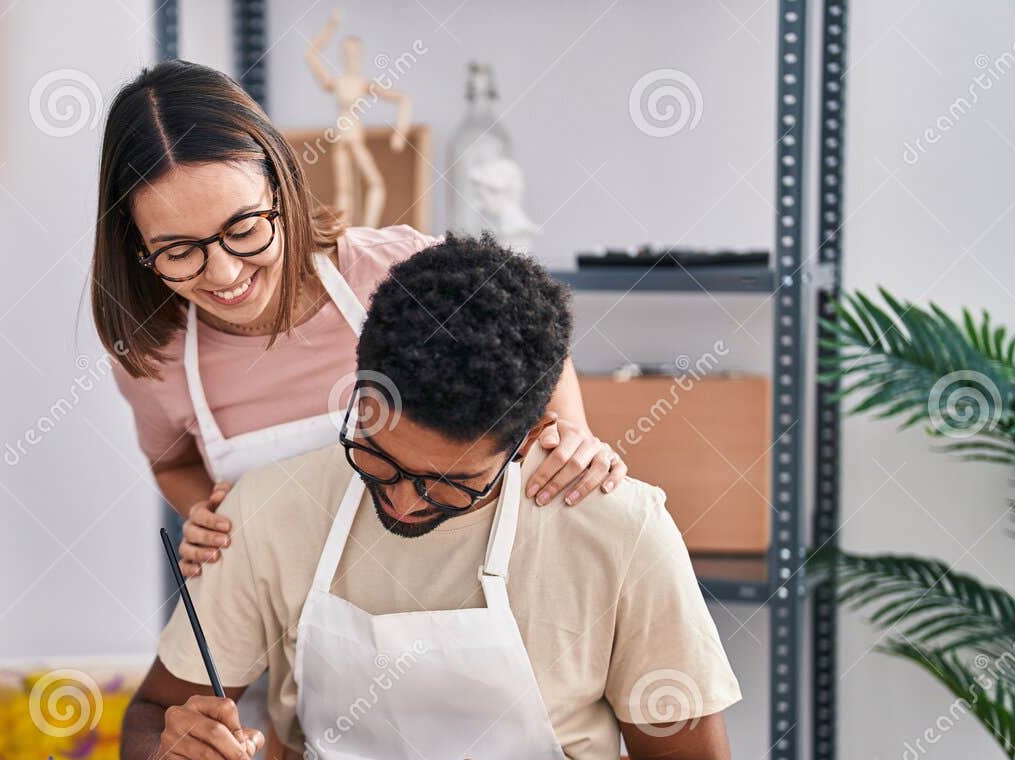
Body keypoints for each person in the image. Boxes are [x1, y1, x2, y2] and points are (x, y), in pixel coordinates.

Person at [120, 235, 741, 760]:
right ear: (360, 393)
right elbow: (147, 724)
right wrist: (170, 755)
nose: (404, 501)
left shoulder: (618, 529)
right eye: (378, 459)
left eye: (452, 485)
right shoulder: (271, 506)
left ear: (528, 439)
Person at [92, 61, 628, 582]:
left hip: (470, 602)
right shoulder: (152, 352)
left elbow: (531, 342)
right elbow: (173, 467)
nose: (225, 272)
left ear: (281, 188)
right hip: (301, 640)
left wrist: (572, 432)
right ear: (135, 245)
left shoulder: (396, 271)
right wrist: (204, 518)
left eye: (245, 227)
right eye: (179, 250)